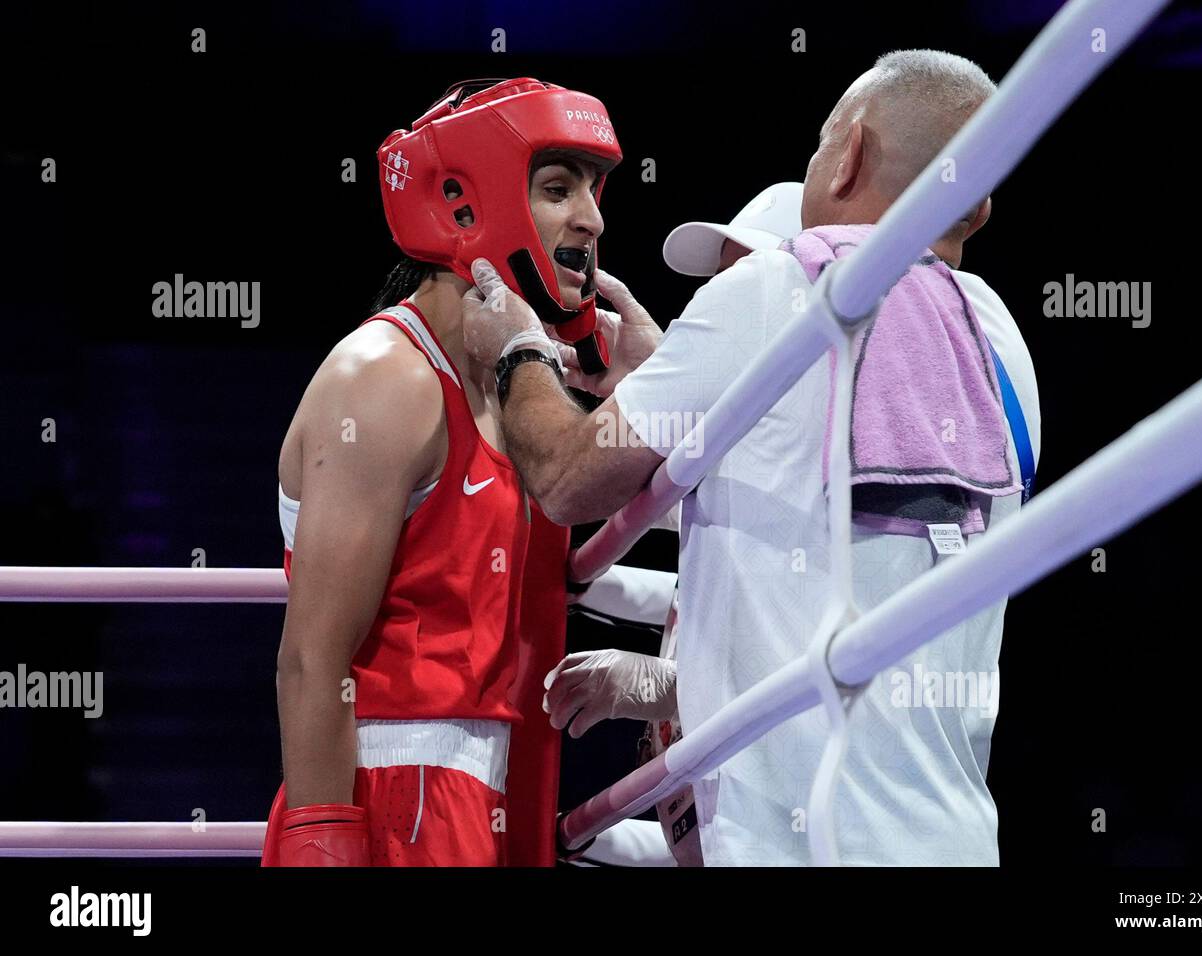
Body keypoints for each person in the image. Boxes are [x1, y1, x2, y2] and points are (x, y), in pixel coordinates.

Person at [462, 51, 1041, 865]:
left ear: (851, 153)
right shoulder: (1001, 346)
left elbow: (564, 479)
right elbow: (815, 483)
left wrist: (515, 350)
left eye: (818, 140)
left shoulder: (782, 291)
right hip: (958, 837)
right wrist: (676, 380)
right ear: (975, 208)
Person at [260, 77, 624, 866]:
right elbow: (311, 658)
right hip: (391, 800)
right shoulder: (384, 378)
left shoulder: (515, 388)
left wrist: (639, 368)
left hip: (483, 794)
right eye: (559, 189)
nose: (592, 219)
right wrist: (324, 842)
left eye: (594, 191)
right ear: (466, 200)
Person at [559, 182, 804, 867]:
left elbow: (797, 676)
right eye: (721, 280)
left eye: (742, 279)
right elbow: (689, 832)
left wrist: (668, 686)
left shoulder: (817, 470)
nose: (721, 299)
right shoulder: (733, 466)